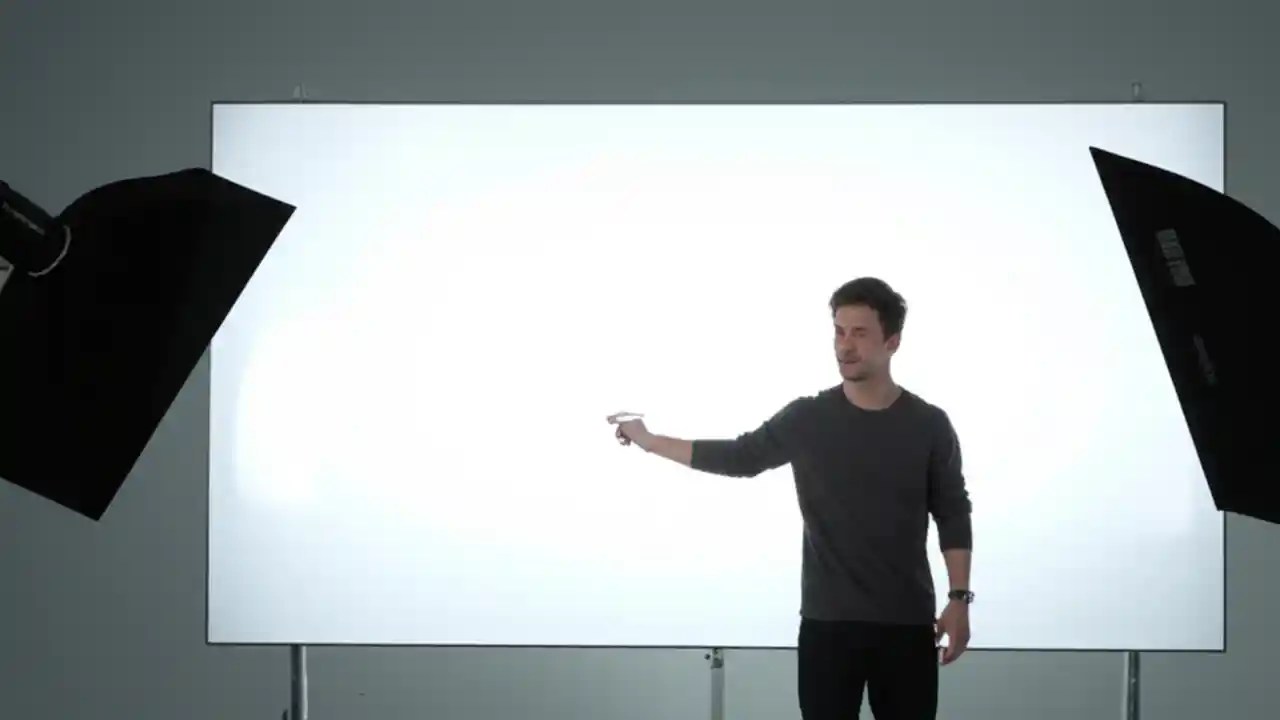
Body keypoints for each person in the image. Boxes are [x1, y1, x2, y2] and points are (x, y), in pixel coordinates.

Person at [607, 276, 973, 720]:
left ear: (892, 342)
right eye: (839, 331)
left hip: (907, 624)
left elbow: (953, 512)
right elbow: (740, 456)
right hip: (827, 624)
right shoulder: (809, 418)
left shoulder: (928, 424)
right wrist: (649, 441)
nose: (845, 345)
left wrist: (959, 599)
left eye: (860, 333)